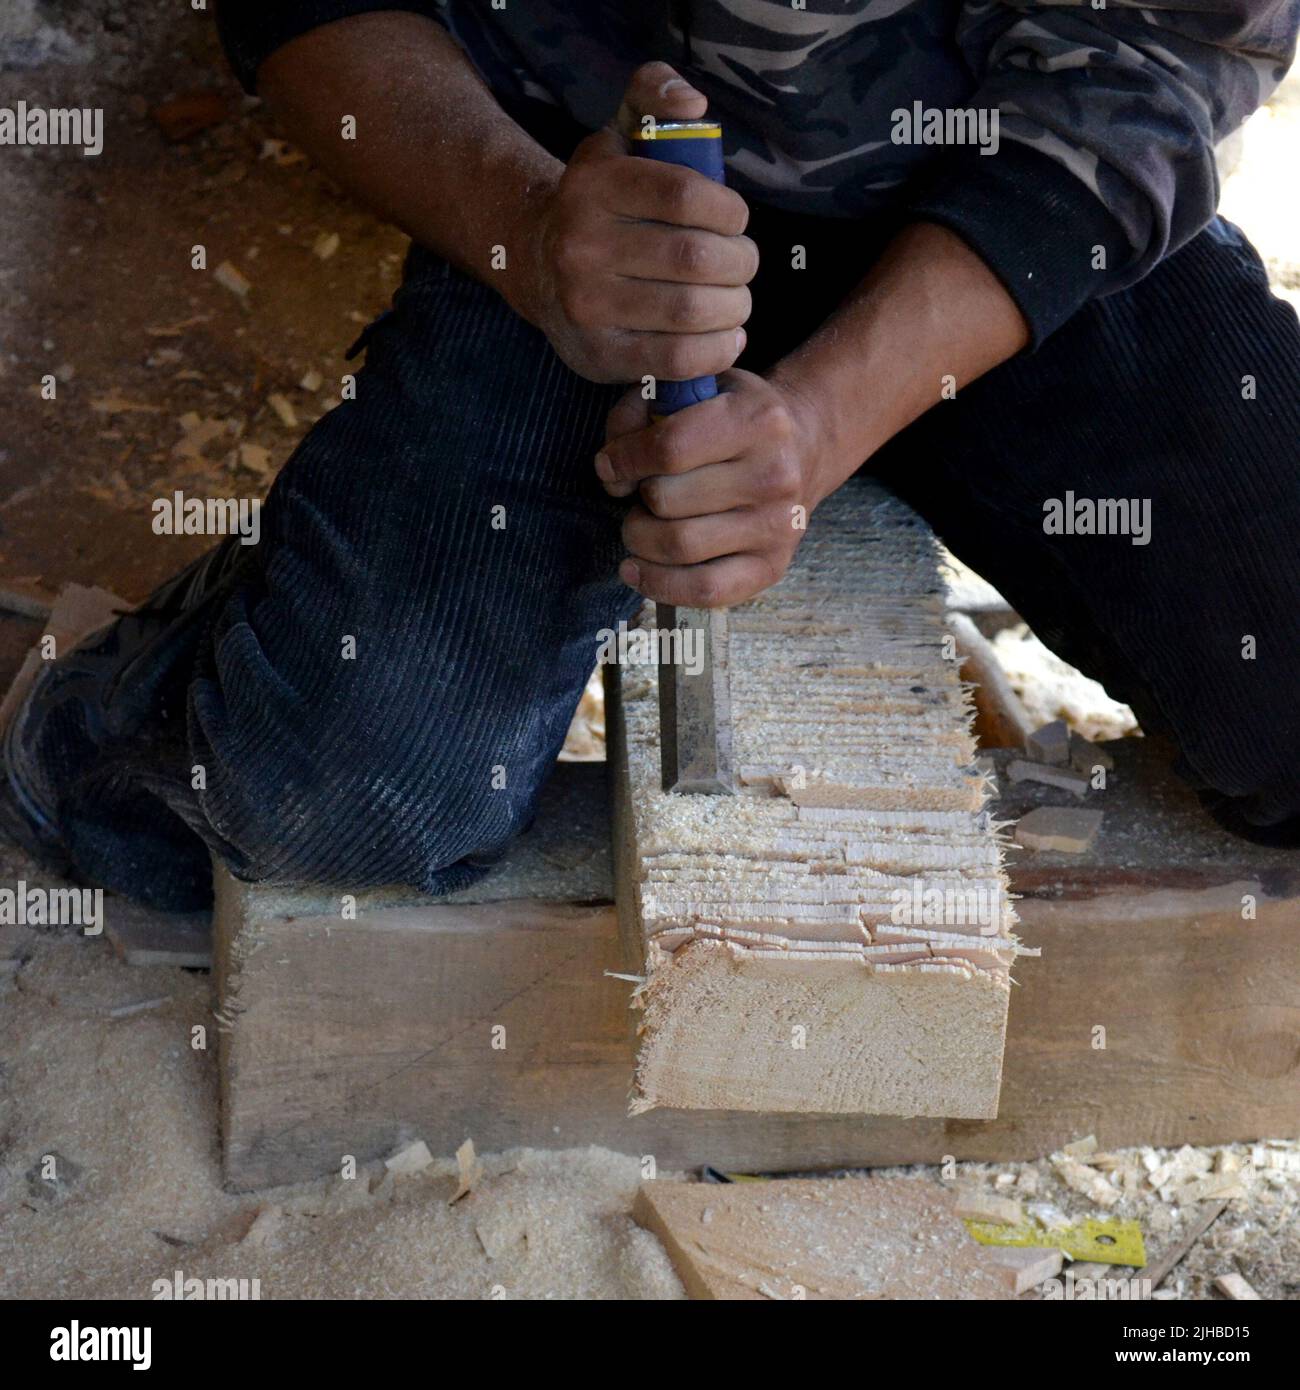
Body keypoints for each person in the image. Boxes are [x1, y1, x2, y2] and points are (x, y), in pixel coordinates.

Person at [4, 3, 1299, 911]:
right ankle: (139, 698)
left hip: (1017, 200)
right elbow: (317, 5)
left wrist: (815, 425)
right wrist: (527, 230)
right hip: (567, 183)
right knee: (346, 803)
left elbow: (1166, 60)